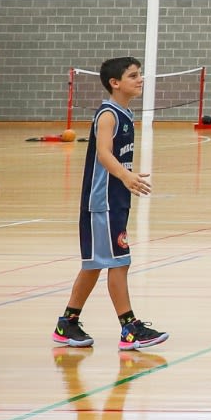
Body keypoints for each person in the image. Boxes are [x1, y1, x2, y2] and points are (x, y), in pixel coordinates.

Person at [53, 56, 168, 352]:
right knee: (119, 262)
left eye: (139, 74)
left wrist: (126, 177)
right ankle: (129, 328)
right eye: (133, 76)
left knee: (94, 265)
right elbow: (104, 154)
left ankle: (67, 323)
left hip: (114, 199)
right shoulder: (108, 115)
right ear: (115, 83)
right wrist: (125, 175)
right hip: (101, 201)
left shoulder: (125, 113)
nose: (139, 79)